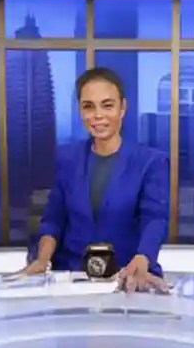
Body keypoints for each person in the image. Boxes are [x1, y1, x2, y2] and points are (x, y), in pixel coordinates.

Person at [17, 67, 170, 292]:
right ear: (80, 110)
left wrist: (143, 258)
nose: (98, 115)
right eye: (89, 107)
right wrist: (42, 261)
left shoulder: (151, 162)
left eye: (107, 105)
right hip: (72, 280)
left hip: (127, 279)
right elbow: (53, 219)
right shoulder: (67, 158)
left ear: (123, 108)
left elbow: (154, 219)